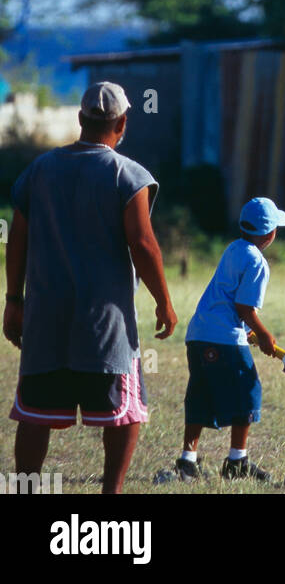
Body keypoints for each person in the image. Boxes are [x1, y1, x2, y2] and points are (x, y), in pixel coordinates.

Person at [3, 80, 177, 493]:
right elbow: (143, 243)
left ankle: (26, 489)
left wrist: (13, 301)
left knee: (34, 413)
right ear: (123, 123)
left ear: (80, 119)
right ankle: (110, 494)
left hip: (46, 321)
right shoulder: (127, 175)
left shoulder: (39, 171)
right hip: (106, 328)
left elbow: (18, 239)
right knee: (126, 412)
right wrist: (164, 302)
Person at [176, 196, 285, 483]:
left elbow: (225, 298)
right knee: (248, 391)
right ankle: (237, 461)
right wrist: (263, 334)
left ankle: (187, 461)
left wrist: (246, 331)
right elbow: (244, 307)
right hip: (224, 339)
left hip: (198, 335)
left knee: (200, 394)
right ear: (270, 234)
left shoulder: (233, 249)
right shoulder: (258, 262)